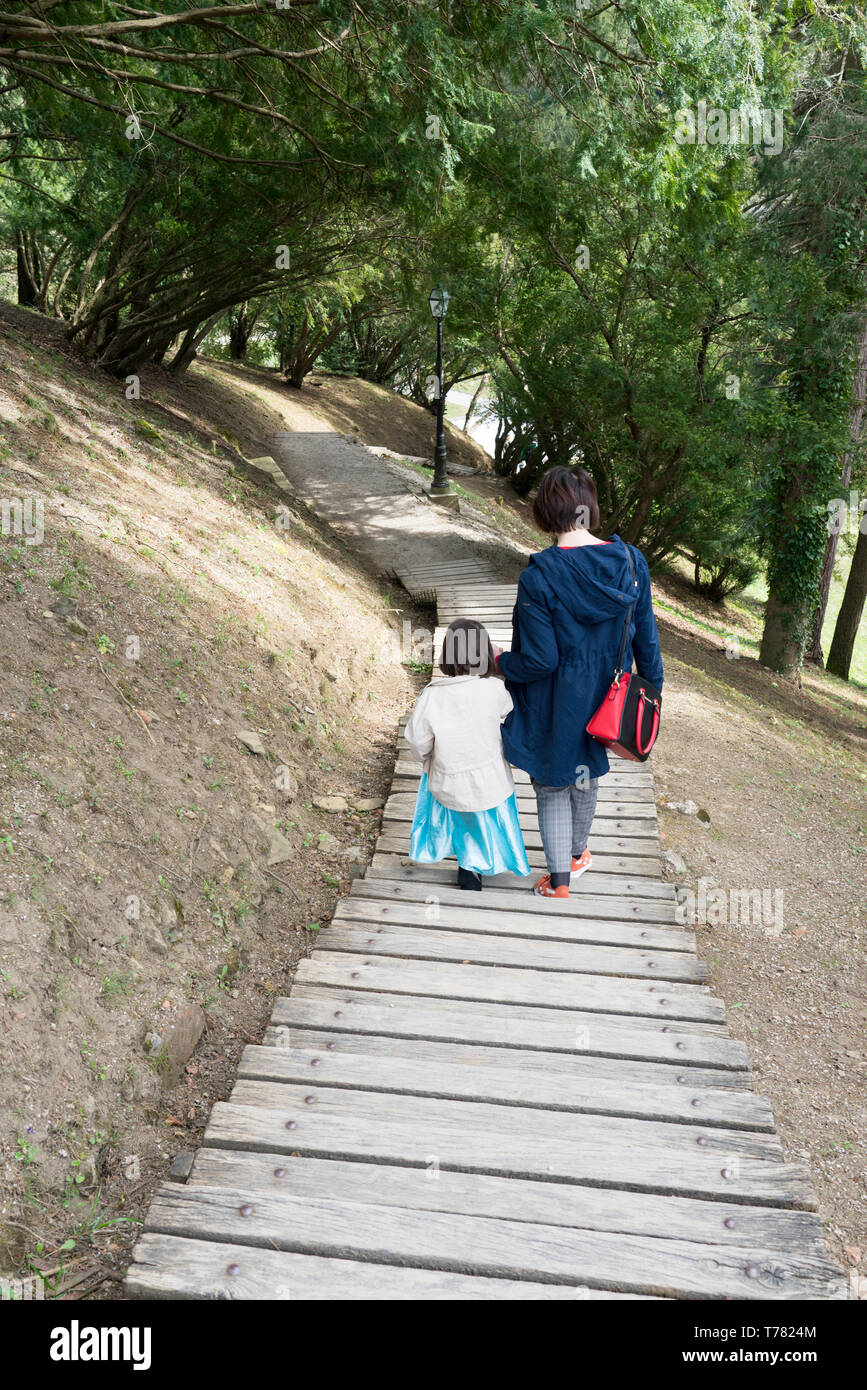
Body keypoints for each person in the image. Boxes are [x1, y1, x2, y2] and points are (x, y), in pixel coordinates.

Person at [496, 466, 664, 900]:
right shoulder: (631, 563)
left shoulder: (538, 577)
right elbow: (646, 639)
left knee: (553, 784)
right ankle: (576, 854)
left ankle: (560, 882)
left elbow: (538, 660)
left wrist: (500, 662)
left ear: (545, 513)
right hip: (607, 697)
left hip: (554, 700)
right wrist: (651, 696)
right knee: (586, 774)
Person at [405, 618, 530, 890]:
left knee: (450, 799)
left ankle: (466, 864)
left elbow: (417, 739)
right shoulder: (495, 689)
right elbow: (508, 714)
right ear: (485, 652)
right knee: (483, 806)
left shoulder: (433, 695)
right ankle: (477, 864)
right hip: (489, 780)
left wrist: (428, 758)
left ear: (448, 653)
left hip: (449, 780)